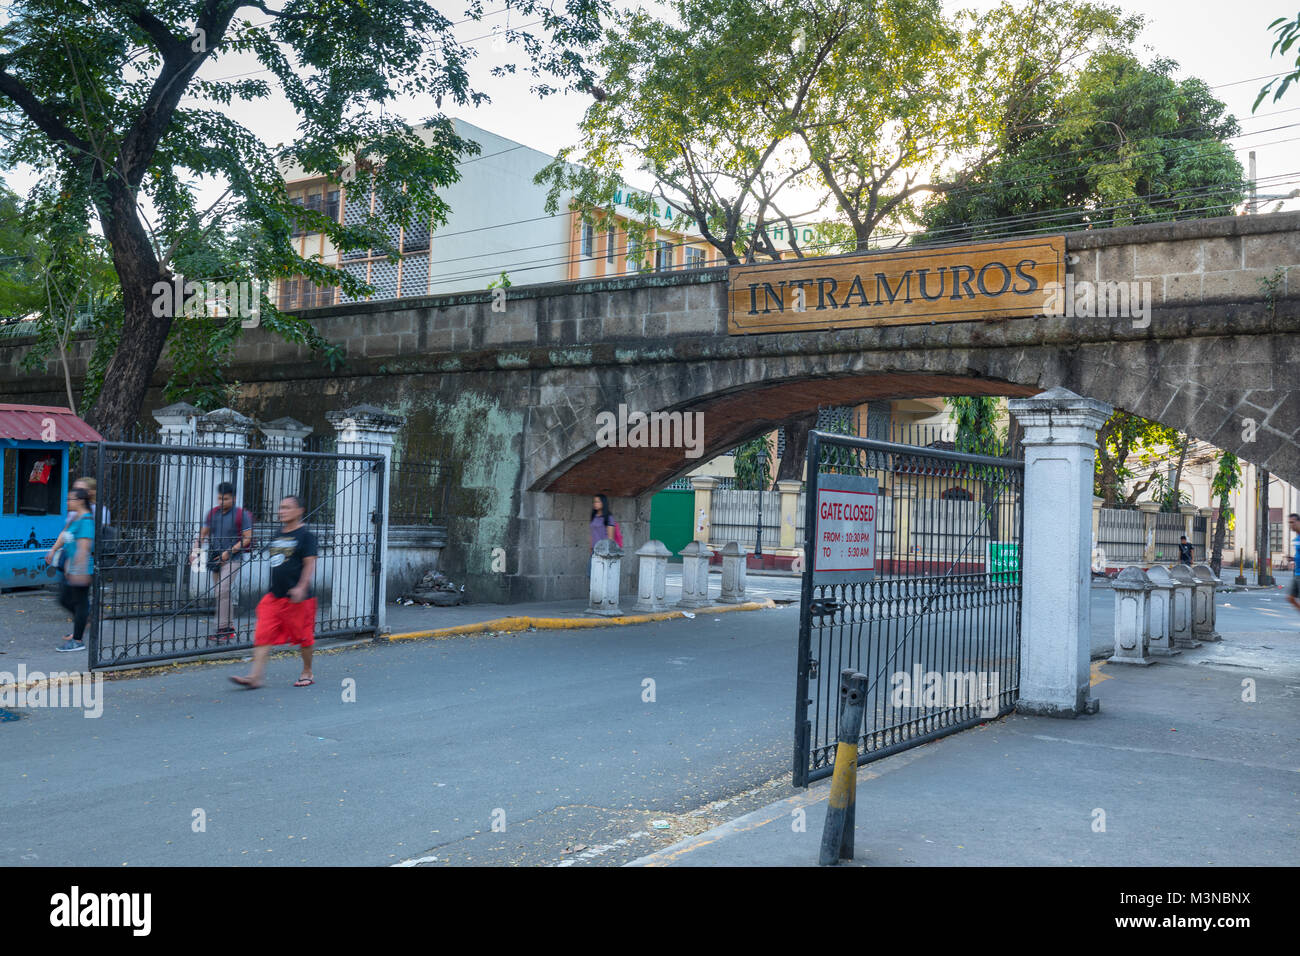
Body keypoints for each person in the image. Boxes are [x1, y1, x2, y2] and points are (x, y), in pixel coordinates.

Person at [230, 496, 317, 689]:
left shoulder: (306, 536)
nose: (281, 511)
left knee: (304, 637)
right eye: (280, 507)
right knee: (263, 633)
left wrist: (301, 587)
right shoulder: (278, 533)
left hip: (299, 598)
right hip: (275, 596)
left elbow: (309, 564)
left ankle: (307, 671)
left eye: (286, 508)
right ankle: (255, 677)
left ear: (299, 511)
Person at [191, 482, 254, 643]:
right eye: (219, 498)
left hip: (233, 558)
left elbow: (247, 538)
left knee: (222, 590)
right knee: (222, 593)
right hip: (215, 558)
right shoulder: (212, 513)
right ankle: (229, 628)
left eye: (225, 499)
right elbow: (202, 535)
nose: (221, 502)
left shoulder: (241, 515)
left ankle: (222, 629)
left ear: (233, 498)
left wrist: (230, 552)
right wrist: (195, 552)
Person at [53, 488, 95, 652]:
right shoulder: (76, 519)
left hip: (81, 569)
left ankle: (77, 640)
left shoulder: (86, 521)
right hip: (72, 567)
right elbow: (66, 538)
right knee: (67, 600)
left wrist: (77, 570)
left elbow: (84, 548)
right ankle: (84, 621)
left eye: (70, 499)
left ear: (80, 501)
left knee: (78, 602)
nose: (67, 502)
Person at [1287, 513, 1300, 616]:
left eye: (1292, 522)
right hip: (1296, 573)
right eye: (1289, 523)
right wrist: (1293, 558)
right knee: (1290, 598)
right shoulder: (1296, 539)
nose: (1290, 525)